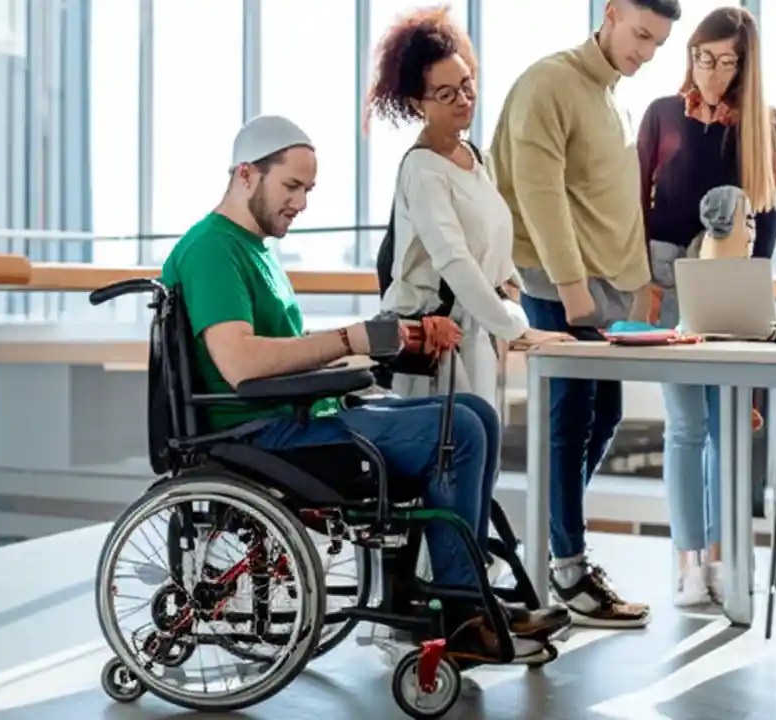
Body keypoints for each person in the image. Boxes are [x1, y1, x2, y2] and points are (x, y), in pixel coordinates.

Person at [159, 114, 568, 659]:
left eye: (308, 189)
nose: (301, 203)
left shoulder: (252, 249)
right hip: (264, 437)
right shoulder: (213, 249)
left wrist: (371, 346)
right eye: (292, 186)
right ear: (245, 175)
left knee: (474, 413)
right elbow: (240, 363)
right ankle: (461, 607)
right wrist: (348, 339)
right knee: (461, 427)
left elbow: (280, 355)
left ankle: (460, 599)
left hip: (292, 420)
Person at [487, 0, 680, 629]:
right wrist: (571, 289)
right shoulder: (551, 81)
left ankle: (547, 550)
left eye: (658, 43)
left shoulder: (611, 97)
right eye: (642, 35)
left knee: (606, 414)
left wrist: (634, 286)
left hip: (606, 293)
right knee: (568, 419)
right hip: (560, 284)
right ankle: (567, 569)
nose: (647, 52)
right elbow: (539, 192)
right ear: (612, 12)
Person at [635, 6, 776, 608]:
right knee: (686, 428)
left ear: (746, 64)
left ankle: (722, 559)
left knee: (728, 431)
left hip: (731, 282)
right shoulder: (662, 115)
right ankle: (687, 561)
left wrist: (756, 306)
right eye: (704, 59)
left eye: (728, 62)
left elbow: (769, 223)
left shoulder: (763, 124)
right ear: (689, 56)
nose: (715, 74)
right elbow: (637, 207)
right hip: (666, 278)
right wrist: (643, 286)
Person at [366, 6, 572, 409]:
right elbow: (454, 260)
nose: (463, 99)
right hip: (433, 341)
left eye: (466, 84)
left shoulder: (477, 158)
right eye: (446, 93)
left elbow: (492, 246)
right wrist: (518, 328)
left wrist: (510, 300)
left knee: (477, 453)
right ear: (416, 103)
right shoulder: (423, 169)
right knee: (448, 458)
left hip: (474, 334)